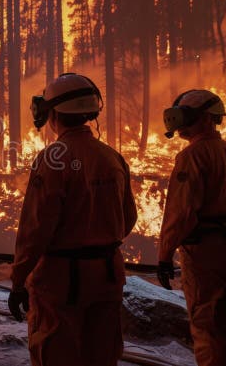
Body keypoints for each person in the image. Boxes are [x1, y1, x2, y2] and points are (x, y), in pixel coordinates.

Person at [9, 73, 138, 366]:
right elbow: (128, 218)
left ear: (53, 113)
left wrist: (19, 279)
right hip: (107, 276)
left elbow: (35, 230)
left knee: (56, 353)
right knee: (101, 356)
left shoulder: (51, 159)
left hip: (60, 281)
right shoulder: (112, 157)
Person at [157, 89, 226, 366]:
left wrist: (165, 255)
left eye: (185, 116)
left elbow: (181, 213)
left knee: (209, 324)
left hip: (207, 251)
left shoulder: (192, 157)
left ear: (204, 118)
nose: (179, 124)